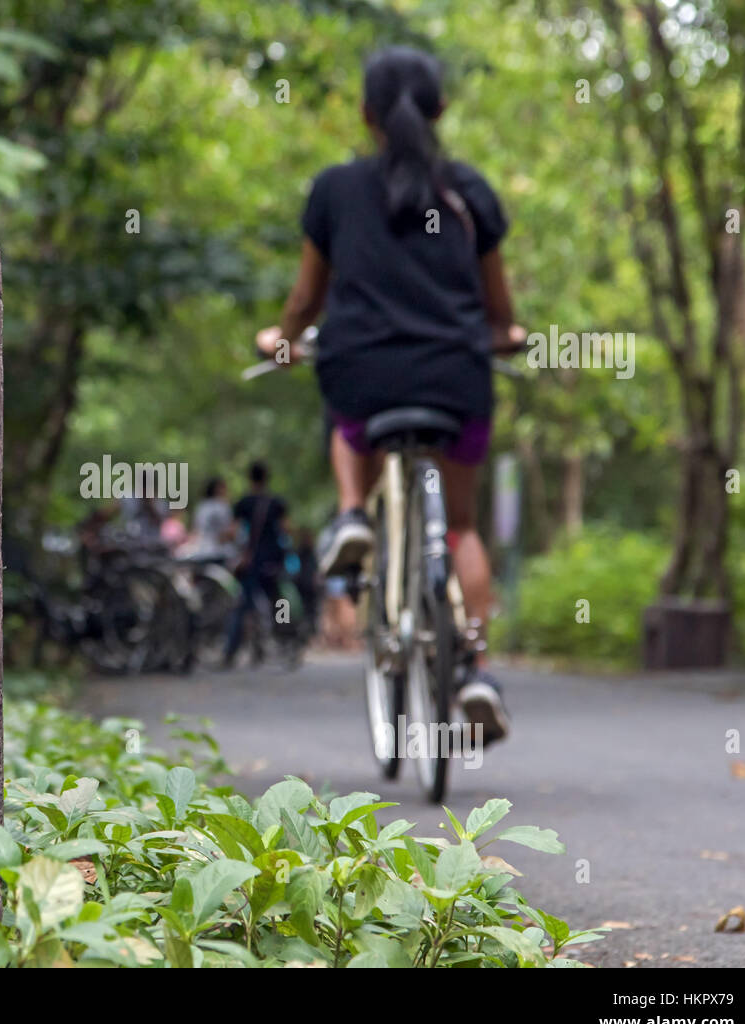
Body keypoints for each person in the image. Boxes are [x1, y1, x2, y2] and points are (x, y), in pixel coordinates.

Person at [255, 46, 523, 742]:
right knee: (460, 525)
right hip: (456, 376)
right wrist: (510, 334)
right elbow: (500, 309)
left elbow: (306, 300)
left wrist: (279, 338)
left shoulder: (336, 191)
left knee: (350, 421)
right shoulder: (469, 192)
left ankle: (352, 514)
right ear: (441, 109)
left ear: (366, 114)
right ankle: (478, 668)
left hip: (363, 373)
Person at [222, 460, 288, 666]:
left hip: (251, 559)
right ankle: (283, 637)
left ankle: (232, 651)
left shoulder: (244, 503)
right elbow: (285, 529)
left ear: (250, 478)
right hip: (274, 558)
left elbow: (233, 532)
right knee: (278, 599)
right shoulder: (277, 502)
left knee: (244, 604)